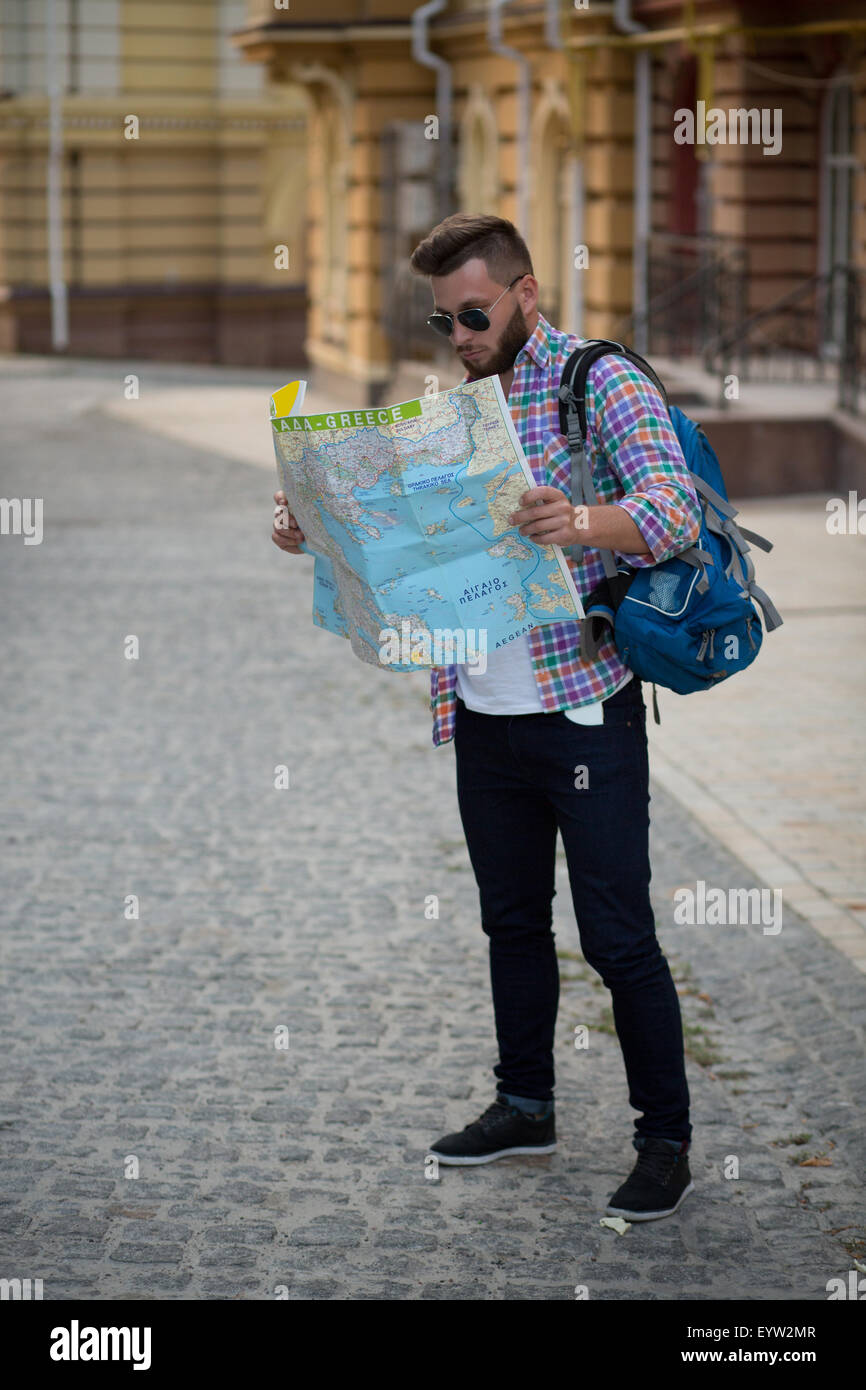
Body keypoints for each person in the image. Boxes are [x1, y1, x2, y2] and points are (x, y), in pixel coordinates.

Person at [272, 212, 702, 1222]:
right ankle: (524, 1103)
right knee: (510, 920)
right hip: (480, 707)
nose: (459, 336)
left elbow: (671, 508)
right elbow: (415, 557)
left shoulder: (597, 380)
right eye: (442, 322)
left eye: (472, 314)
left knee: (615, 937)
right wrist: (319, 532)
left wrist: (582, 520)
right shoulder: (459, 407)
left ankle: (665, 1139)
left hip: (582, 706)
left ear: (524, 295)